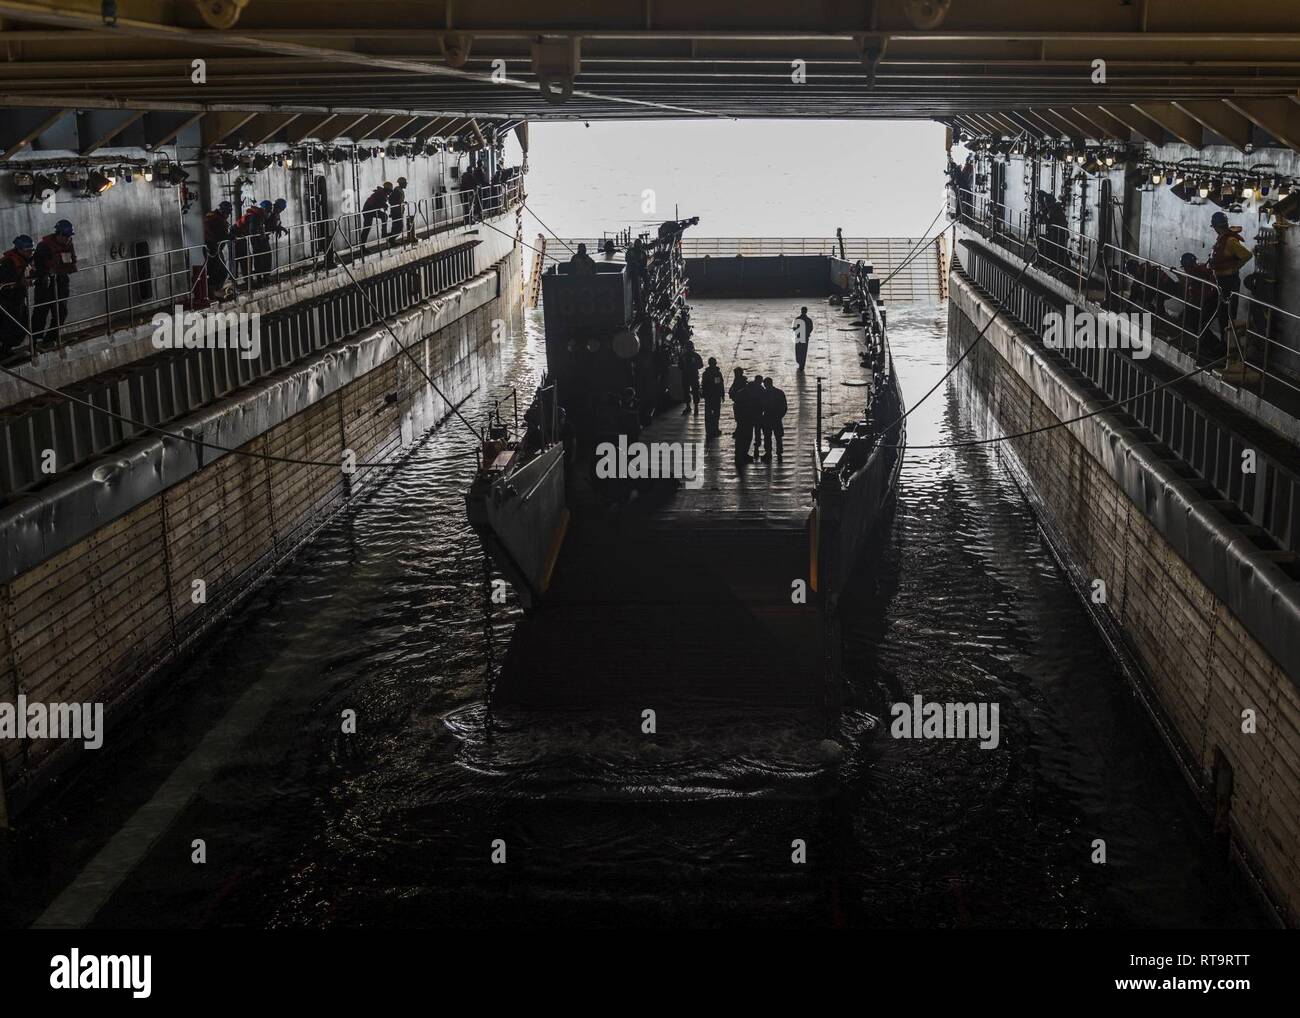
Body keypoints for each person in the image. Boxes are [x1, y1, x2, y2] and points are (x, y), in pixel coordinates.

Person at [1207, 210, 1252, 344]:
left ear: (1216, 226)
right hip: (1221, 281)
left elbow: (1247, 255)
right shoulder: (1222, 239)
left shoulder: (1231, 241)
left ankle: (1227, 345)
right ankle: (1223, 343)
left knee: (1227, 315)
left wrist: (1235, 267)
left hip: (1229, 281)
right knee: (1221, 313)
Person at [32, 219, 77, 343]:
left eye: (70, 236)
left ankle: (50, 339)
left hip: (61, 282)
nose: (69, 239)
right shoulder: (44, 246)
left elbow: (72, 262)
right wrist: (49, 272)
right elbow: (38, 266)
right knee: (41, 313)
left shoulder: (68, 244)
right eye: (67, 236)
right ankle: (35, 342)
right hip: (45, 284)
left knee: (61, 312)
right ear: (60, 234)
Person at [1178, 253, 1221, 357]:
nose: (1185, 270)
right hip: (1208, 301)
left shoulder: (1198, 272)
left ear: (1189, 266)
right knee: (1191, 320)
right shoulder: (1199, 271)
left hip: (1211, 302)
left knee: (1199, 323)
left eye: (1185, 267)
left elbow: (1200, 291)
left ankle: (1212, 346)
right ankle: (1206, 345)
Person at [0, 234, 34, 356]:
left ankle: (6, 349)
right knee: (11, 326)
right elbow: (6, 281)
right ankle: (5, 351)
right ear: (20, 249)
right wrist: (19, 282)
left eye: (31, 250)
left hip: (18, 299)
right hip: (8, 299)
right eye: (28, 250)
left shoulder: (26, 260)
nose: (30, 253)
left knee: (23, 325)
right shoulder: (8, 262)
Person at [202, 200, 234, 295]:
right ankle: (211, 291)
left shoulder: (212, 217)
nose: (228, 215)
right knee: (220, 271)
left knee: (215, 270)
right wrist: (230, 236)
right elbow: (220, 235)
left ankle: (211, 290)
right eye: (228, 213)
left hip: (211, 247)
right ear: (224, 211)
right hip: (213, 248)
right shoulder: (217, 220)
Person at [760, 376, 788, 461]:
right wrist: (780, 416)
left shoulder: (764, 393)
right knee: (778, 436)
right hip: (776, 418)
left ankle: (768, 453)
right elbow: (784, 406)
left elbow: (760, 406)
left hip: (767, 417)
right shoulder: (779, 392)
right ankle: (779, 452)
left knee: (767, 436)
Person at [359, 182, 392, 249]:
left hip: (371, 209)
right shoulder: (381, 194)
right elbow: (380, 202)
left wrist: (384, 205)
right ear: (387, 189)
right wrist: (384, 205)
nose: (390, 193)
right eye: (390, 191)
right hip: (368, 210)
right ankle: (362, 246)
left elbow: (380, 202)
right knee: (367, 228)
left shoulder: (382, 193)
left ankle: (383, 233)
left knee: (384, 216)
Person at [743, 374, 767, 460]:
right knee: (757, 430)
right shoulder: (761, 389)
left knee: (749, 430)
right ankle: (757, 445)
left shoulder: (750, 386)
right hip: (758, 412)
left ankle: (748, 447)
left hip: (749, 412)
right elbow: (764, 400)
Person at [701, 356, 725, 438]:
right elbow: (719, 384)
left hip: (708, 396)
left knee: (708, 414)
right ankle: (715, 428)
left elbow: (703, 384)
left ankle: (708, 430)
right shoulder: (716, 373)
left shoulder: (705, 373)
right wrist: (722, 394)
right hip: (715, 395)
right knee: (716, 413)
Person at [678, 339, 703, 416]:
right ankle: (695, 408)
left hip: (686, 376)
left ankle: (688, 407)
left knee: (687, 392)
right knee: (695, 392)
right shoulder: (696, 355)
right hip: (693, 376)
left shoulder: (683, 356)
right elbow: (701, 365)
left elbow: (680, 366)